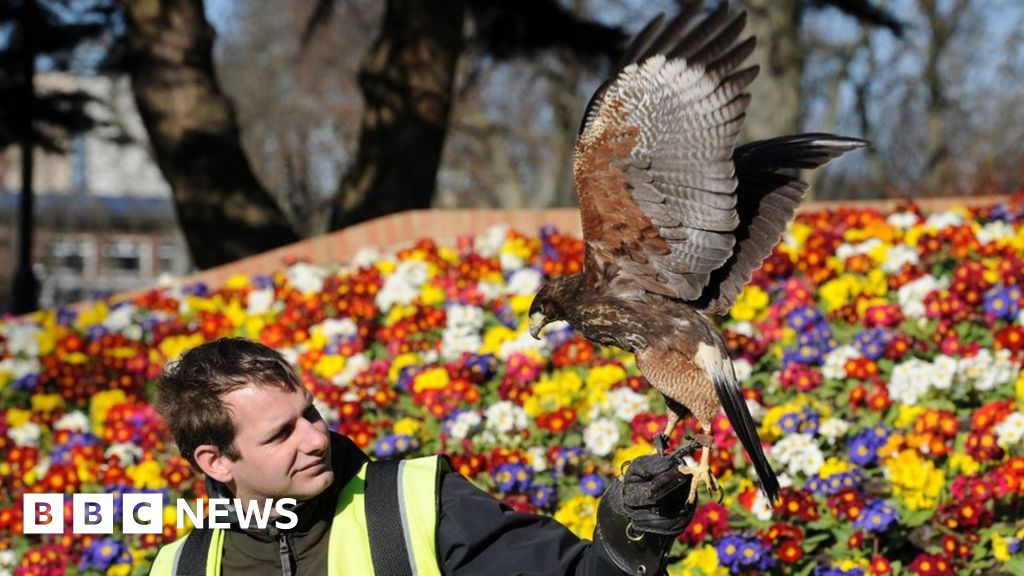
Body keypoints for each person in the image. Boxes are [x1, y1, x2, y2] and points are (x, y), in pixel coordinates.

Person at [149, 338, 698, 575]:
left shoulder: (415, 504)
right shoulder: (181, 566)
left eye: (310, 414)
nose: (315, 439)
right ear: (216, 462)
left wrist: (628, 546)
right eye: (280, 434)